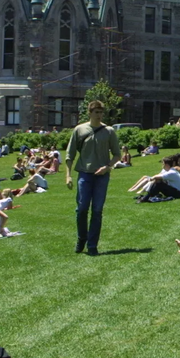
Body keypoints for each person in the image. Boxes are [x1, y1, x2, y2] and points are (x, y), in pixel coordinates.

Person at [65, 100, 121, 256]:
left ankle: (92, 245)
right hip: (84, 173)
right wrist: (68, 175)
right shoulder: (79, 129)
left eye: (101, 112)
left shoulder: (108, 131)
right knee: (82, 208)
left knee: (97, 210)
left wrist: (108, 167)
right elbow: (70, 154)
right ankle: (81, 238)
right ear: (89, 113)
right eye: (96, 112)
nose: (99, 115)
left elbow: (117, 154)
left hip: (102, 176)